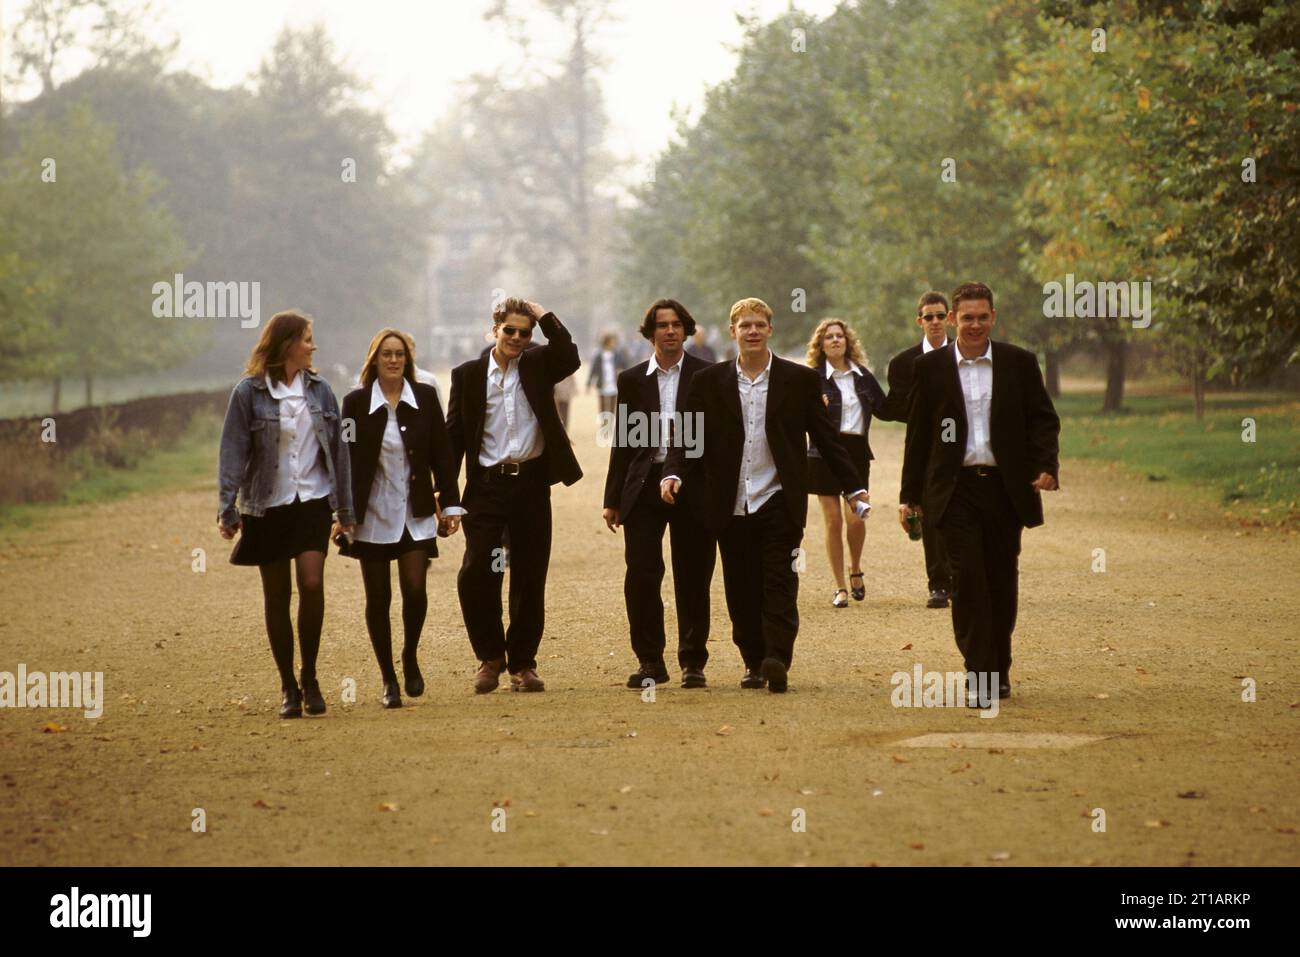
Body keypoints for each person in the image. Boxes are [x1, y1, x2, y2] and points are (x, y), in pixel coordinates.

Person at [662, 298, 867, 693]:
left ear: (769, 330)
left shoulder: (799, 380)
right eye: (745, 326)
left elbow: (826, 440)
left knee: (780, 581)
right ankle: (753, 661)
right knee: (740, 588)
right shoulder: (708, 382)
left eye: (759, 325)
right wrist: (672, 472)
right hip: (730, 501)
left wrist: (853, 485)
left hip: (779, 498)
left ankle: (777, 656)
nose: (752, 331)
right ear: (733, 332)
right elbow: (686, 436)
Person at [899, 281, 1060, 707]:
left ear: (993, 318)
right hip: (955, 492)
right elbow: (918, 436)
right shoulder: (930, 369)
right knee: (967, 582)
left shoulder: (1019, 364)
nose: (974, 324)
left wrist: (1046, 465)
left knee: (1000, 582)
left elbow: (1043, 419)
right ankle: (980, 675)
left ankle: (999, 666)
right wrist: (909, 495)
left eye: (982, 317)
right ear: (952, 319)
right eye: (966, 317)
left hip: (1005, 490)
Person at [218, 310, 354, 719]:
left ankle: (310, 676)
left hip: (312, 502)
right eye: (307, 339)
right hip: (267, 504)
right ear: (287, 343)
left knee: (311, 584)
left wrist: (344, 510)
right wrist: (227, 506)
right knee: (276, 597)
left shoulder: (322, 391)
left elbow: (340, 452)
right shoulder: (249, 393)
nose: (313, 346)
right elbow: (233, 450)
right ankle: (288, 686)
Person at [447, 298, 582, 694]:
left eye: (526, 332)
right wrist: (448, 494)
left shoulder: (539, 365)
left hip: (531, 485)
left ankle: (523, 664)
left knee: (528, 573)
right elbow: (454, 435)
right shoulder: (468, 375)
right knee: (479, 572)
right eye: (511, 331)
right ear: (495, 330)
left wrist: (544, 316)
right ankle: (490, 657)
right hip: (487, 487)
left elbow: (570, 355)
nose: (518, 338)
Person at [340, 329, 464, 709]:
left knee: (415, 589)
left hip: (416, 511)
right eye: (386, 355)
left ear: (408, 361)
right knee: (378, 597)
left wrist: (453, 504)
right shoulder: (355, 403)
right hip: (371, 516)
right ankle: (388, 679)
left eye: (400, 355)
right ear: (374, 360)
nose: (393, 361)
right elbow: (343, 457)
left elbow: (442, 455)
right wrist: (341, 512)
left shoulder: (425, 397)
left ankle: (410, 654)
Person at [602, 298, 716, 689]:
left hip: (694, 485)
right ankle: (650, 660)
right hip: (644, 485)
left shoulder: (708, 374)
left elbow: (715, 438)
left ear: (686, 330)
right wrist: (612, 497)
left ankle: (692, 661)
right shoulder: (632, 379)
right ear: (650, 333)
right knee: (642, 575)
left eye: (676, 325)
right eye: (662, 325)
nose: (670, 331)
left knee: (693, 575)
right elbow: (623, 439)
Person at [805, 318, 886, 608]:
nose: (836, 340)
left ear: (848, 342)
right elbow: (799, 416)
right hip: (823, 453)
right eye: (829, 337)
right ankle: (839, 586)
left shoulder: (862, 375)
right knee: (833, 521)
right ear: (821, 345)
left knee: (856, 517)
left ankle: (856, 568)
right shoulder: (813, 378)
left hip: (856, 452)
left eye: (840, 336)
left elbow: (885, 407)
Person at [882, 291, 955, 608]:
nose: (936, 322)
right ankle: (939, 583)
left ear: (949, 318)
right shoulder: (902, 364)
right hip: (926, 446)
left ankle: (963, 579)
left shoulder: (964, 355)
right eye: (930, 317)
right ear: (920, 321)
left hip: (963, 445)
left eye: (941, 316)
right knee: (931, 513)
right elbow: (895, 408)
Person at [587, 333, 626, 417]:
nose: (614, 343)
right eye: (612, 341)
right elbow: (593, 370)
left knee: (612, 406)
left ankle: (610, 423)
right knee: (602, 406)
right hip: (602, 383)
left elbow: (624, 365)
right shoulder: (599, 355)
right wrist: (589, 384)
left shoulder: (617, 354)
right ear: (607, 342)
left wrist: (621, 371)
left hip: (614, 383)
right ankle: (603, 424)